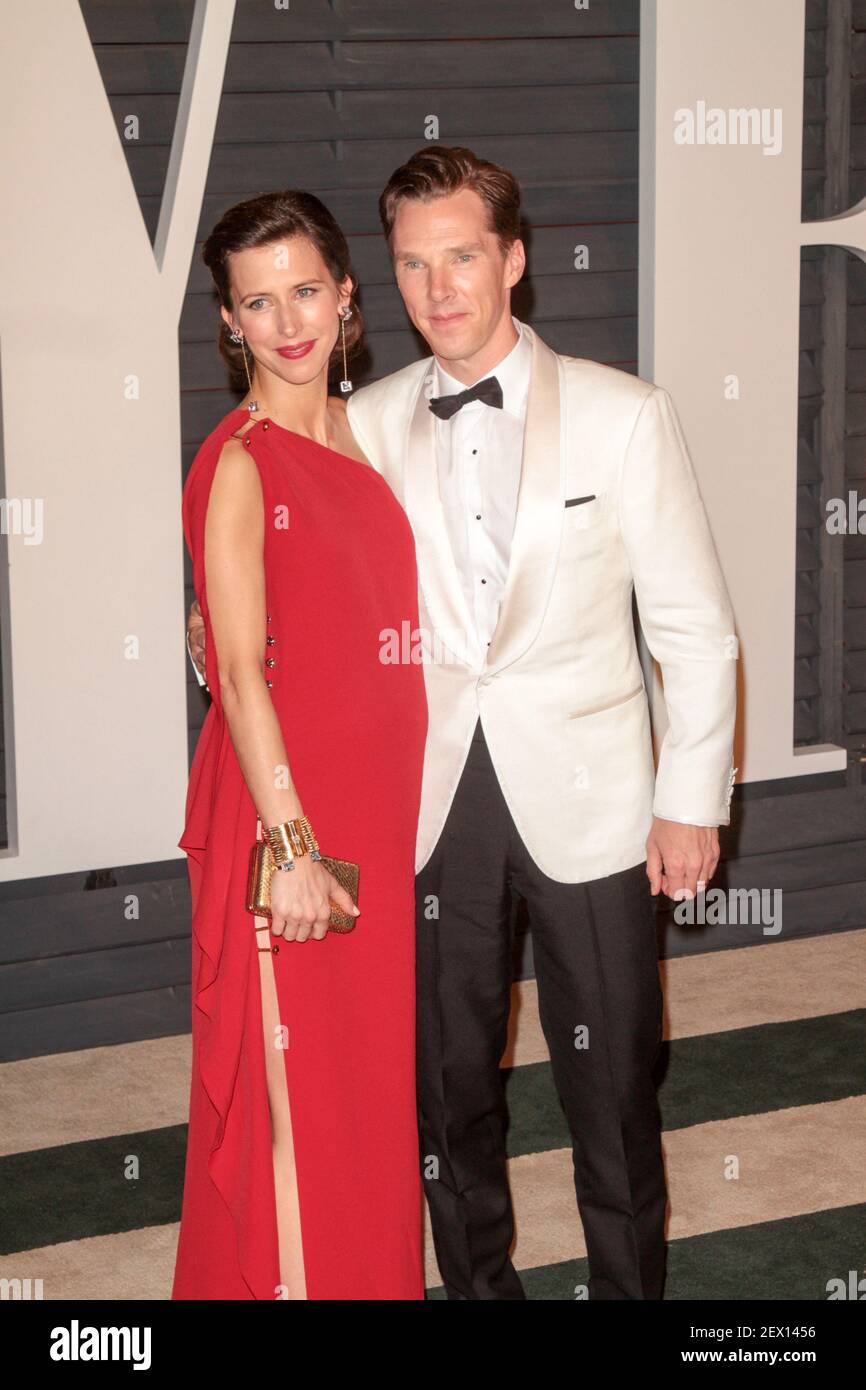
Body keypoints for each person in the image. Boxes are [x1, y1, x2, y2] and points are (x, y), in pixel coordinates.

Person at [188, 146, 738, 1300]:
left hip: (594, 803)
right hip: (422, 811)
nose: (440, 289)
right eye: (415, 266)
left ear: (513, 262)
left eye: (463, 258)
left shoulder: (623, 414)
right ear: (382, 281)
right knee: (444, 1100)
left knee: (614, 1095)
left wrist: (691, 800)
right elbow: (286, 562)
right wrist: (218, 632)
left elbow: (693, 625)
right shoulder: (361, 424)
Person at [172, 189, 428, 1300]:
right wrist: (292, 846)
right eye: (256, 301)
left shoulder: (370, 437)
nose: (287, 321)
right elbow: (235, 671)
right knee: (297, 1105)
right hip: (297, 822)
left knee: (365, 1094)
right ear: (229, 323)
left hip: (377, 804)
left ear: (346, 296)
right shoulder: (241, 460)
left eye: (304, 290)